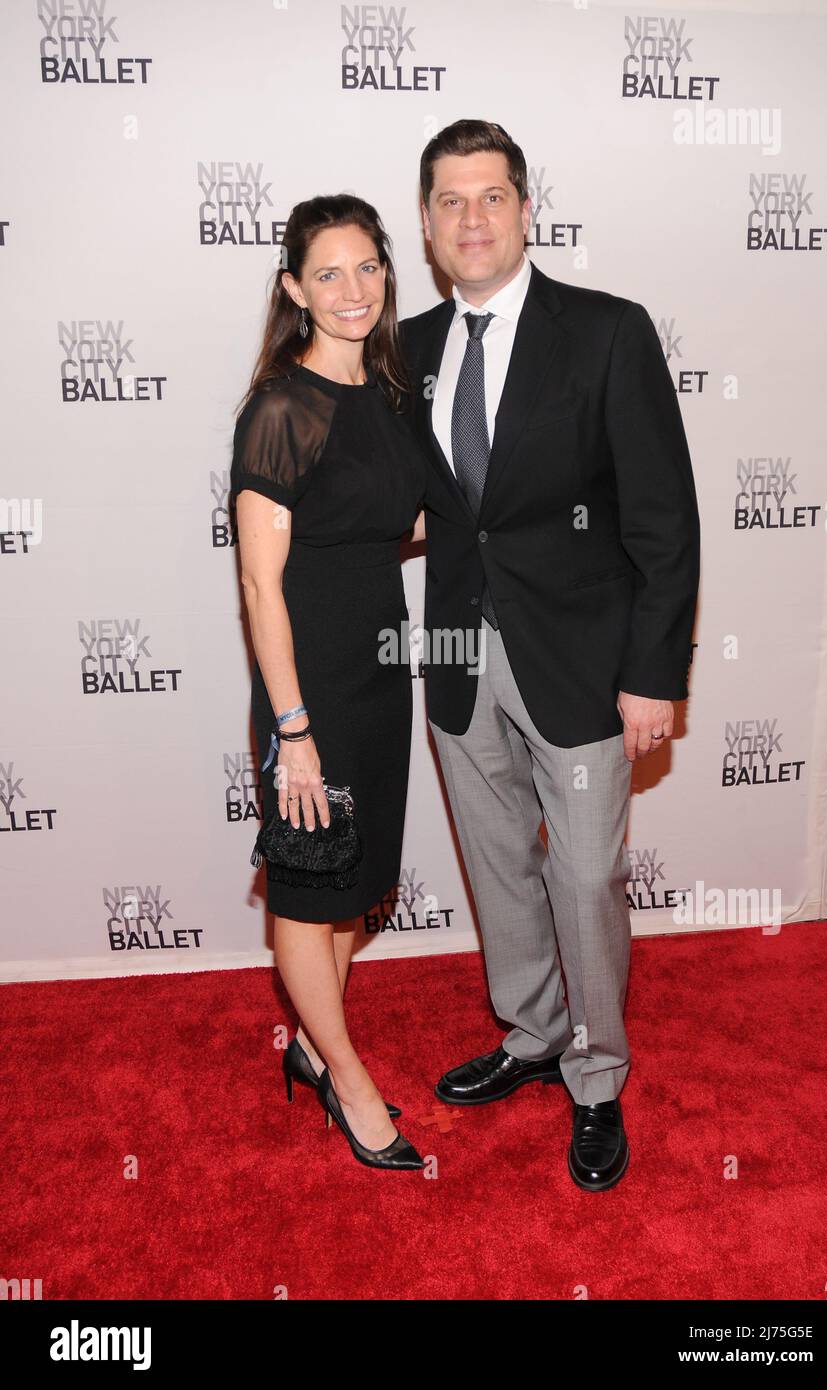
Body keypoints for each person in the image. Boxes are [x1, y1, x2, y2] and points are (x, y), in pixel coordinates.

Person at [399, 120, 700, 1191]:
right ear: (427, 225)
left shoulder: (606, 333)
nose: (471, 218)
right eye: (449, 200)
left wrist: (653, 673)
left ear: (526, 209)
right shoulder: (408, 349)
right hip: (453, 651)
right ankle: (528, 1036)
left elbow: (663, 519)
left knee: (583, 877)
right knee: (498, 869)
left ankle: (595, 1074)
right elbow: (409, 507)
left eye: (491, 196)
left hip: (583, 660)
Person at [231, 195, 427, 1172]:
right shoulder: (281, 409)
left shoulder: (388, 397)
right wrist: (293, 727)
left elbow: (394, 525)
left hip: (380, 679)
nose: (351, 289)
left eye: (366, 267)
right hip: (306, 692)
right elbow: (260, 585)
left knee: (350, 886)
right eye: (327, 273)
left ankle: (312, 1044)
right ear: (292, 289)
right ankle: (346, 1078)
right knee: (309, 898)